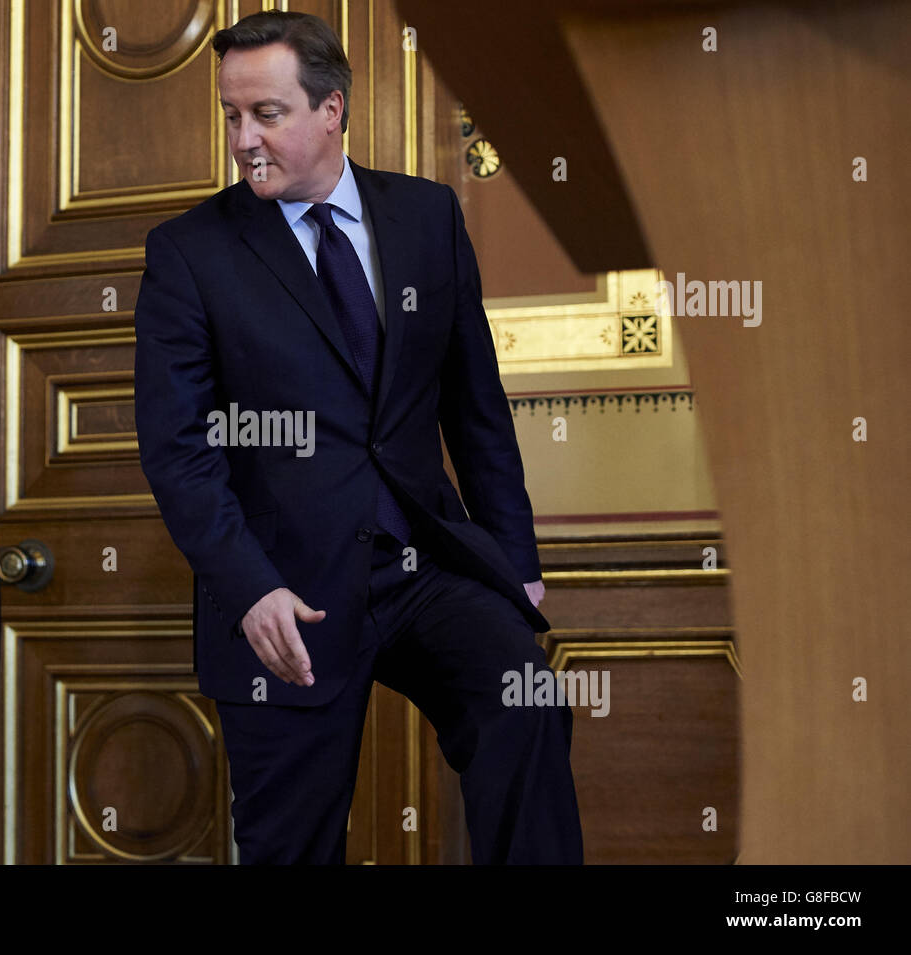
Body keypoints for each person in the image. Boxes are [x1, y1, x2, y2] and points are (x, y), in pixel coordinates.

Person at [134, 11, 583, 864]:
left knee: (523, 702)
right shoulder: (189, 252)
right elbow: (179, 448)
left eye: (266, 114)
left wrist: (516, 563)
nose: (243, 139)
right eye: (231, 116)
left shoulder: (426, 217)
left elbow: (475, 406)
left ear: (332, 109)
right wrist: (249, 588)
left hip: (424, 568)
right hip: (284, 595)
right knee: (291, 844)